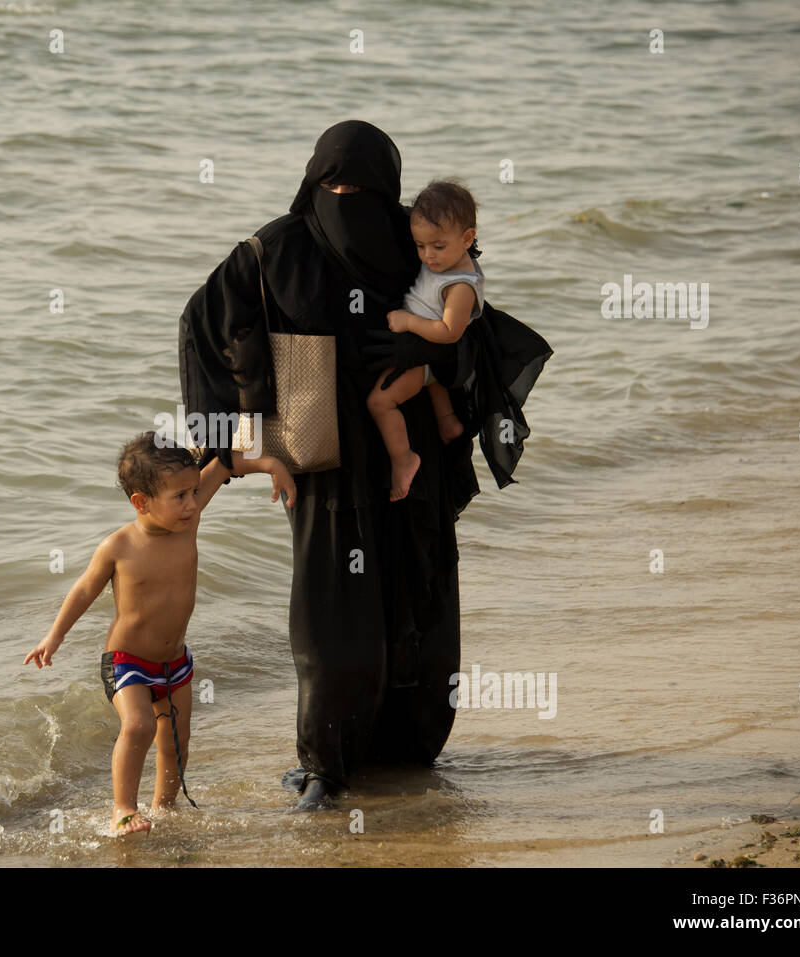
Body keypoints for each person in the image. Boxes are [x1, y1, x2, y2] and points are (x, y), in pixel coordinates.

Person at [178, 120, 552, 809]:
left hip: (412, 454)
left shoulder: (418, 243)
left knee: (418, 591)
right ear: (313, 186)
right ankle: (327, 761)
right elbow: (205, 323)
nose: (347, 199)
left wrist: (431, 360)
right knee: (333, 611)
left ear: (391, 193)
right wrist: (243, 430)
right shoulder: (276, 249)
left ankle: (408, 753)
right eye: (334, 187)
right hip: (323, 460)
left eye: (362, 188)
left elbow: (472, 328)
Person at [24, 432, 296, 835]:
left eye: (192, 492)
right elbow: (83, 590)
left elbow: (222, 466)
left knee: (176, 741)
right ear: (141, 502)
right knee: (139, 727)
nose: (192, 503)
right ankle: (123, 809)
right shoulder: (119, 546)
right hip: (127, 661)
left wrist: (270, 465)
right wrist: (54, 637)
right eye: (180, 496)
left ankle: (165, 807)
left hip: (175, 663)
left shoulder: (186, 521)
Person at [368, 179, 485, 502]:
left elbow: (449, 333)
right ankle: (448, 423)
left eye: (437, 246)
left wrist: (408, 321)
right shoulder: (448, 263)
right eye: (420, 246)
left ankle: (403, 459)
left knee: (380, 403)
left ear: (467, 238)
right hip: (427, 360)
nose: (428, 256)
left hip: (427, 357)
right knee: (434, 387)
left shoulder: (460, 285)